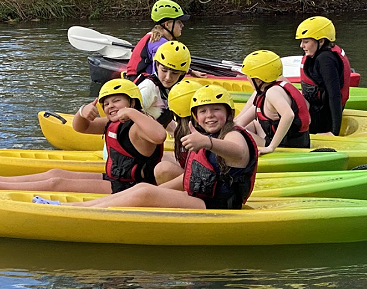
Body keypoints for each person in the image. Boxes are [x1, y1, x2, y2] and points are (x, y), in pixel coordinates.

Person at [43, 84, 258, 210]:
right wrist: (154, 191)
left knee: (144, 193)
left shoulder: (232, 135)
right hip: (202, 198)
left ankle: (75, 211)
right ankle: (78, 209)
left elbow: (237, 151)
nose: (209, 116)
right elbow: (188, 179)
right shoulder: (205, 134)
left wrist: (208, 143)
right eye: (203, 112)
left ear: (229, 113)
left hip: (221, 206)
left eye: (215, 110)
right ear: (196, 116)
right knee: (143, 190)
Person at [0, 79, 166, 194]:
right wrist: (82, 112)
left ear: (133, 102)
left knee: (57, 182)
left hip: (130, 187)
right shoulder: (113, 124)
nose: (110, 106)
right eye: (106, 103)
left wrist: (131, 113)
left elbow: (159, 136)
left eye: (117, 101)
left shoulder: (138, 126)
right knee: (55, 172)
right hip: (115, 179)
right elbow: (81, 128)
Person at [235, 49, 312, 152]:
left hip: (286, 146)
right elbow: (239, 123)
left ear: (258, 79)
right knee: (247, 125)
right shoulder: (277, 86)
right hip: (297, 140)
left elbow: (288, 115)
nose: (247, 79)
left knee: (236, 132)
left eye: (248, 76)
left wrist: (271, 147)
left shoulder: (272, 92)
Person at [296, 16, 351, 136]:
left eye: (306, 42)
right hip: (316, 110)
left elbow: (334, 95)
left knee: (271, 96)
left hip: (321, 120)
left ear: (321, 41)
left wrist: (333, 132)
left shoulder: (325, 60)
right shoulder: (322, 55)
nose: (302, 46)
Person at [152, 78, 202, 183]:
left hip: (200, 182)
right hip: (192, 173)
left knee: (163, 169)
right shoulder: (181, 129)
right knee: (160, 157)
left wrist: (160, 190)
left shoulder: (198, 133)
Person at [133, 40, 191, 128]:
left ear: (182, 74)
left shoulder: (166, 89)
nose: (168, 77)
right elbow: (129, 117)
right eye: (164, 70)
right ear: (156, 66)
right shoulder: (148, 88)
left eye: (174, 73)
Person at [125, 0, 189, 78]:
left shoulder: (156, 37)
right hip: (141, 83)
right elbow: (159, 75)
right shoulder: (159, 44)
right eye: (179, 22)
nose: (182, 25)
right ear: (167, 24)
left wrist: (190, 71)